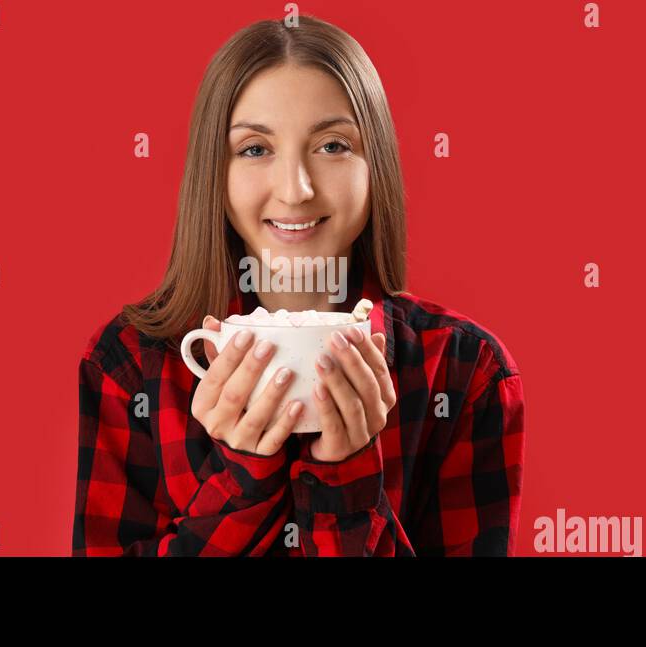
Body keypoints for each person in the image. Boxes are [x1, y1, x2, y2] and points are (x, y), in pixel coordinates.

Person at [74, 15, 525, 556]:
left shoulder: (464, 371)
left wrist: (349, 483)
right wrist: (242, 482)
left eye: (333, 146)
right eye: (255, 149)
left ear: (375, 164)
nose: (295, 191)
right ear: (212, 173)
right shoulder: (128, 365)